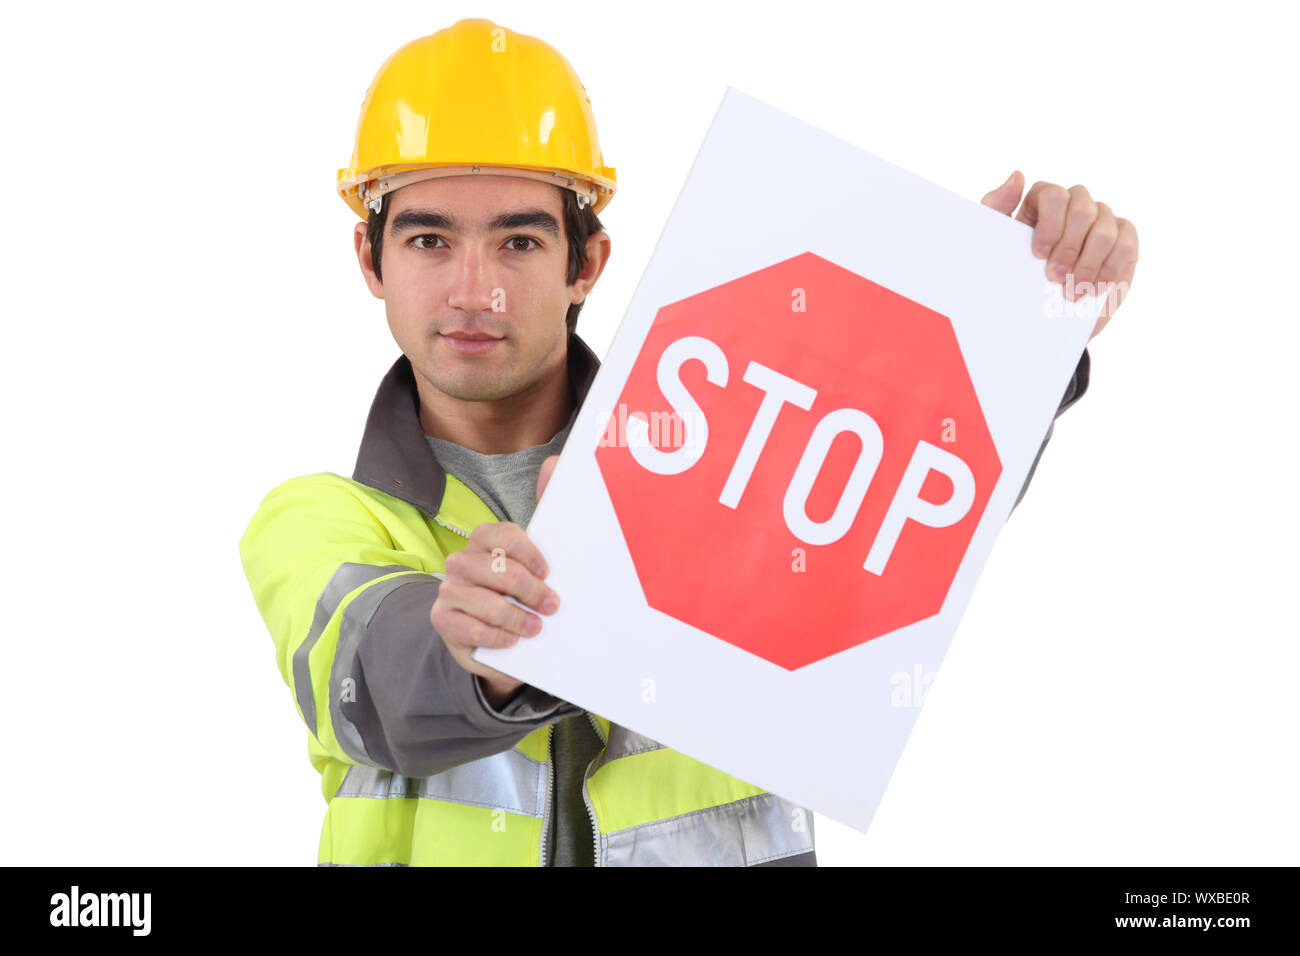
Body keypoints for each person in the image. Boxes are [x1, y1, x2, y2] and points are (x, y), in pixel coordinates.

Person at [238, 18, 1137, 867]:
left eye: (518, 241)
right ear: (371, 260)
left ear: (584, 264)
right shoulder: (315, 521)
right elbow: (375, 685)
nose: (477, 291)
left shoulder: (735, 455)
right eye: (430, 240)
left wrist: (1011, 324)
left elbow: (907, 509)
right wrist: (473, 650)